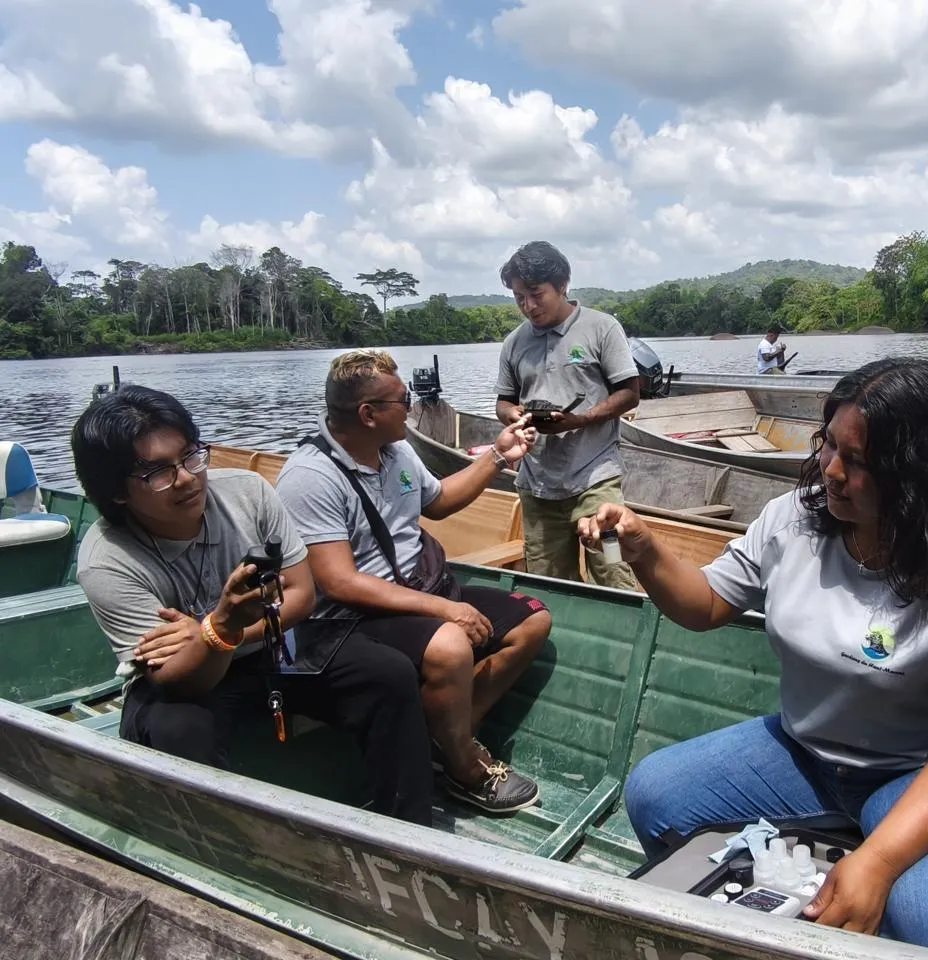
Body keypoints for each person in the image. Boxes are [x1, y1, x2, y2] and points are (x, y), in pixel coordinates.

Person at [578, 358, 928, 958]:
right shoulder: (793, 521)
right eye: (828, 446)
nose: (832, 471)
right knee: (655, 796)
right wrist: (644, 549)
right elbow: (705, 604)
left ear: (924, 475)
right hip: (803, 753)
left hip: (923, 771)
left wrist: (880, 860)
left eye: (860, 462)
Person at [72, 385, 434, 826]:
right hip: (188, 681)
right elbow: (178, 679)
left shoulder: (248, 493)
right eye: (157, 473)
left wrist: (220, 632)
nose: (187, 478)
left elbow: (302, 595)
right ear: (116, 492)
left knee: (387, 673)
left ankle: (409, 828)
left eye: (190, 456)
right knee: (179, 730)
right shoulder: (107, 561)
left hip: (270, 646)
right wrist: (220, 627)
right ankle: (226, 850)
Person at [274, 349, 551, 814]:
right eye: (402, 400)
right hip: (353, 620)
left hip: (421, 590)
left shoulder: (395, 449)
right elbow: (339, 583)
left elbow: (438, 501)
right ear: (368, 414)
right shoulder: (309, 478)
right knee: (450, 645)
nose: (412, 407)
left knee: (532, 621)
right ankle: (464, 766)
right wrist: (445, 610)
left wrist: (499, 457)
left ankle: (444, 740)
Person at [493, 240, 641, 590]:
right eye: (518, 297)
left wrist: (582, 419)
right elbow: (503, 402)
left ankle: (624, 636)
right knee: (549, 584)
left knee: (613, 569)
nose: (527, 306)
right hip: (538, 485)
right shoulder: (514, 342)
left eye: (535, 293)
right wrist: (513, 414)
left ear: (562, 285)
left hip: (596, 479)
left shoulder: (601, 328)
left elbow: (629, 394)